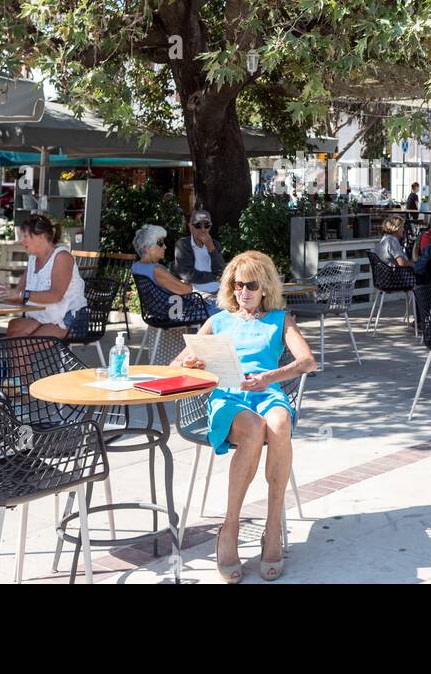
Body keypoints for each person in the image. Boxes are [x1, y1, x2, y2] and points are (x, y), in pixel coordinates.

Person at [174, 251, 316, 582]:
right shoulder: (218, 320)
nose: (243, 292)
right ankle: (230, 527)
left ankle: (271, 529)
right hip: (228, 396)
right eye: (237, 285)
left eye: (250, 285)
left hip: (267, 392)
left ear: (264, 287)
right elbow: (175, 365)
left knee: (280, 424)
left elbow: (307, 361)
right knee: (253, 429)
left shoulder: (280, 319)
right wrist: (192, 364)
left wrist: (269, 377)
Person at [0, 215, 87, 338]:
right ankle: (20, 357)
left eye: (25, 236)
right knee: (14, 327)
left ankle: (24, 356)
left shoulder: (62, 256)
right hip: (43, 317)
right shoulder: (32, 259)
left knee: (21, 345)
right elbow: (18, 294)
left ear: (41, 237)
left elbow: (55, 295)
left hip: (68, 318)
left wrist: (20, 295)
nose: (21, 241)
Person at [132, 223, 219, 313]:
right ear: (147, 248)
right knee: (226, 309)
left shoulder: (136, 267)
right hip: (178, 312)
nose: (165, 247)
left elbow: (166, 286)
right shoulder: (156, 270)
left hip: (161, 310)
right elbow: (186, 290)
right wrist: (188, 281)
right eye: (160, 243)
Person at [175, 209, 226, 285]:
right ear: (190, 227)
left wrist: (211, 249)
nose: (203, 229)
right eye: (198, 225)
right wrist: (214, 277)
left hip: (217, 290)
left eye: (206, 225)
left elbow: (220, 271)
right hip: (195, 293)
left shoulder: (215, 244)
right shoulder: (183, 244)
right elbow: (186, 274)